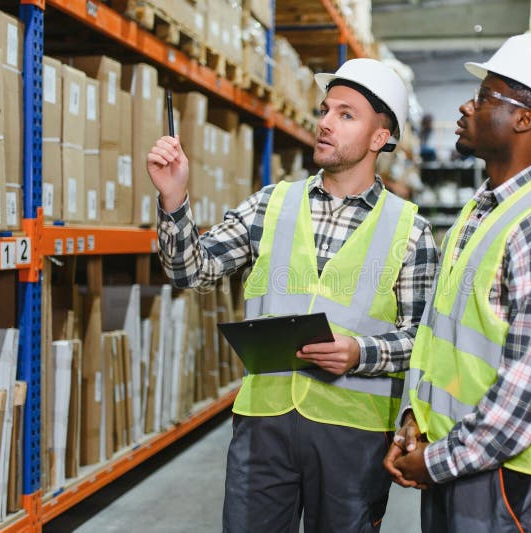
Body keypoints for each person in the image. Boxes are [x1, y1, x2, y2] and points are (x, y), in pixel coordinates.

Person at [147, 58, 438, 532]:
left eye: (346, 115)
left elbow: (423, 341)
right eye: (325, 110)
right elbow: (189, 271)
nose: (324, 122)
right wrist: (174, 200)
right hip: (264, 425)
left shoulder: (411, 231)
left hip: (353, 434)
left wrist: (359, 352)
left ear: (379, 138)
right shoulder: (271, 203)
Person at [383, 33, 531, 532]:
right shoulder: (483, 212)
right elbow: (440, 341)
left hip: (512, 484)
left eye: (486, 96)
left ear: (525, 118)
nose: (466, 108)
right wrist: (414, 421)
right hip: (457, 460)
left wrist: (439, 460)